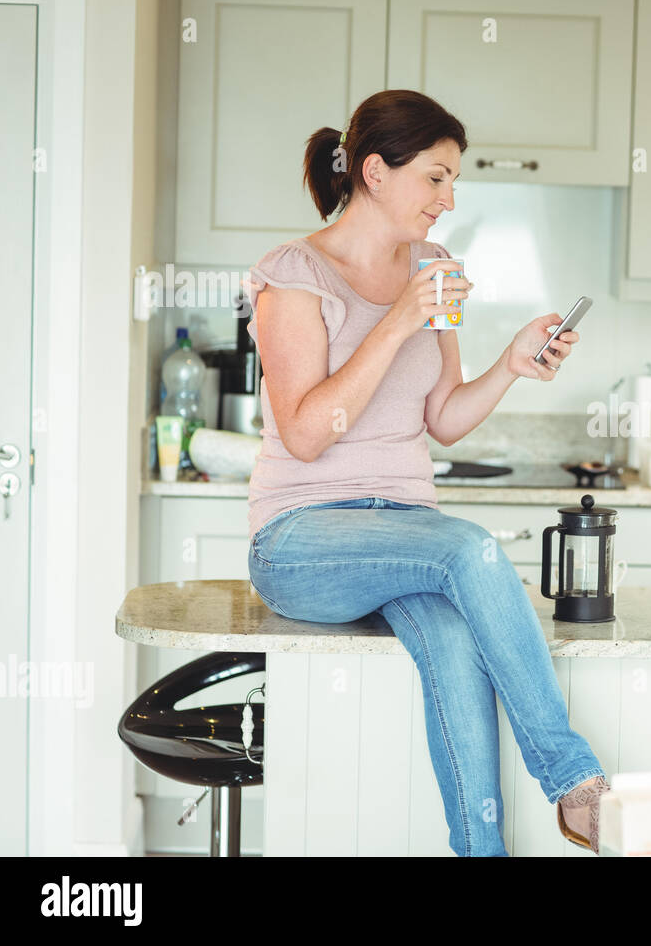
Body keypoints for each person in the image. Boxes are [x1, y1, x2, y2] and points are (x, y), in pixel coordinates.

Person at [243, 89, 606, 856]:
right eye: (436, 178)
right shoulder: (292, 276)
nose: (449, 199)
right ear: (376, 172)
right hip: (301, 540)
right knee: (471, 548)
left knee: (450, 641)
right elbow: (307, 435)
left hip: (405, 531)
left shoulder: (435, 270)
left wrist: (510, 364)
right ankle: (577, 786)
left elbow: (441, 415)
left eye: (453, 181)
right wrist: (400, 317)